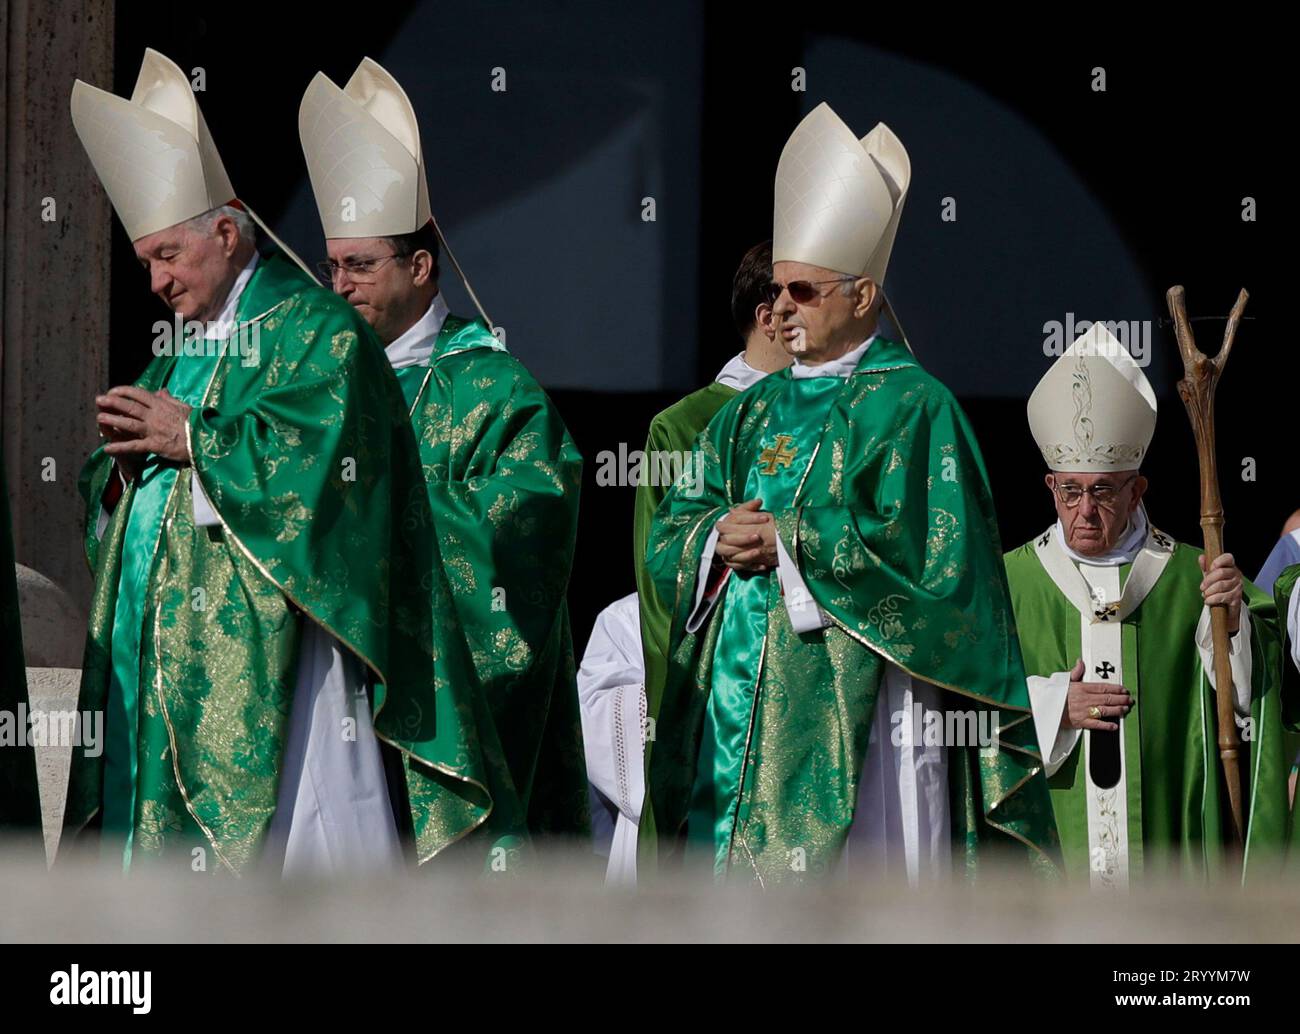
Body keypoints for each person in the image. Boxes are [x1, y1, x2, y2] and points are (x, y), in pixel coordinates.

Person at [64, 48, 485, 875]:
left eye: (166, 256)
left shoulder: (319, 335)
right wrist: (115, 474)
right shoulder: (177, 356)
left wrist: (195, 441)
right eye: (145, 260)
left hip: (282, 672)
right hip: (160, 675)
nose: (152, 282)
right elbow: (115, 481)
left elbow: (335, 473)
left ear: (225, 233)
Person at [641, 103, 1058, 884]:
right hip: (739, 709)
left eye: (802, 291)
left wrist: (791, 540)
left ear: (863, 296)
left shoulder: (914, 407)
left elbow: (949, 575)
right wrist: (711, 539)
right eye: (776, 292)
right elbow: (672, 527)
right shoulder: (747, 411)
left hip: (866, 714)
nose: (781, 310)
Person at [299, 58, 588, 845]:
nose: (340, 287)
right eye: (332, 267)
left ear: (421, 266)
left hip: (440, 713)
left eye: (360, 265)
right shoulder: (315, 387)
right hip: (328, 704)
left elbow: (524, 539)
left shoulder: (497, 391)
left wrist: (370, 530)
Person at [1005, 323, 1294, 884]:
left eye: (1103, 490)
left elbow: (1249, 708)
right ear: (1050, 487)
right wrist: (1049, 706)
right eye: (1070, 491)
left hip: (1168, 856)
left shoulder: (1194, 579)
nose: (1084, 511)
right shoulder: (1009, 580)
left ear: (1137, 491)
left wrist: (1232, 628)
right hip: (1050, 863)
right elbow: (961, 700)